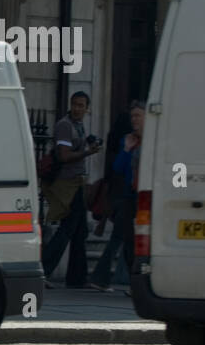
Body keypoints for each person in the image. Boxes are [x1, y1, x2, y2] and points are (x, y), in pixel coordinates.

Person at [41, 91, 101, 288]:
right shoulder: (65, 125)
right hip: (67, 184)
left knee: (80, 231)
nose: (77, 108)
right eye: (75, 104)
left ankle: (77, 278)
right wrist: (88, 152)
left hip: (78, 183)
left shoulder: (79, 126)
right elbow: (64, 156)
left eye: (81, 105)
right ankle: (44, 270)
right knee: (68, 229)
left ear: (87, 108)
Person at [88, 101, 144, 292]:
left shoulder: (154, 139)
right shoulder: (128, 139)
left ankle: (127, 281)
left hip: (147, 195)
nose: (134, 120)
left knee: (132, 239)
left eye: (138, 116)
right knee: (126, 238)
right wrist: (127, 149)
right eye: (133, 116)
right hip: (129, 195)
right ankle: (131, 282)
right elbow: (118, 168)